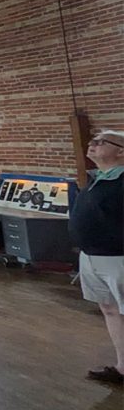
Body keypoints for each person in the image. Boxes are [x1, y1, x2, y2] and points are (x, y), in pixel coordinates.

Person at [69, 129, 124, 386]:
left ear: (120, 151)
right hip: (92, 256)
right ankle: (122, 367)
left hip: (118, 257)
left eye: (101, 142)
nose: (92, 145)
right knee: (110, 310)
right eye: (92, 141)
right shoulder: (95, 179)